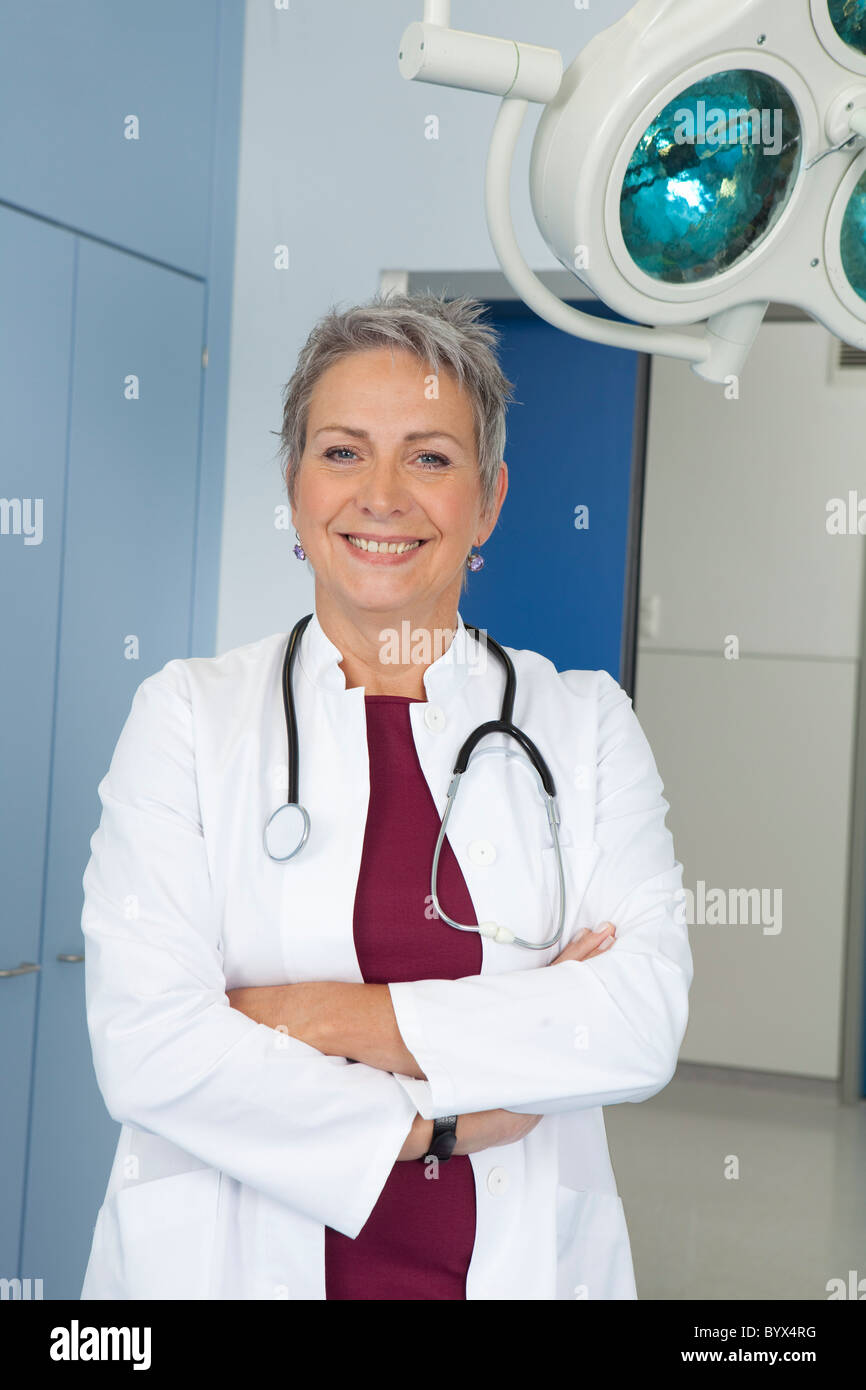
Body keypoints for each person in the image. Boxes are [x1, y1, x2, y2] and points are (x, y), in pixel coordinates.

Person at [80, 291, 692, 1301]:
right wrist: (435, 1124)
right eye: (341, 451)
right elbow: (147, 1046)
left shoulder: (582, 725)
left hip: (505, 1265)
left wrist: (307, 1012)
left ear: (487, 499)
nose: (381, 493)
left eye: (429, 456)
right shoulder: (188, 717)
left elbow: (631, 1024)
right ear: (293, 484)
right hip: (223, 1265)